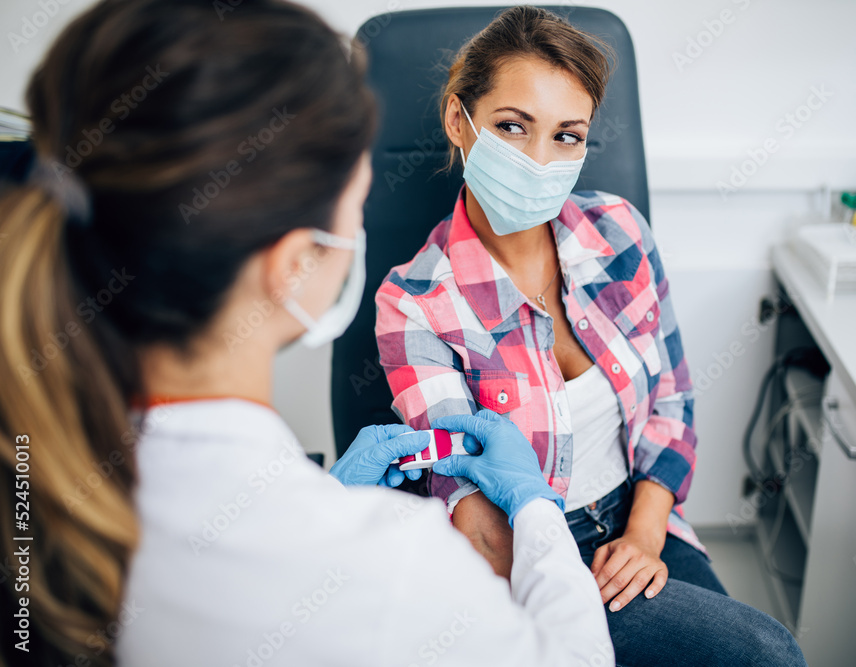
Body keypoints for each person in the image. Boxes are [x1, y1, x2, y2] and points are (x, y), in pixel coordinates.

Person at [0, 1, 614, 666]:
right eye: (357, 204)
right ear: (294, 266)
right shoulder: (395, 566)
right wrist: (537, 511)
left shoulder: (30, 472)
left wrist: (323, 500)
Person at [375, 6, 807, 666]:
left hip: (641, 516)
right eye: (513, 126)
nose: (539, 160)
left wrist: (643, 532)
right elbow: (471, 506)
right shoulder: (414, 303)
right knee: (766, 653)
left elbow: (673, 402)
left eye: (567, 136)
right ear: (459, 121)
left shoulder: (621, 232)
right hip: (522, 556)